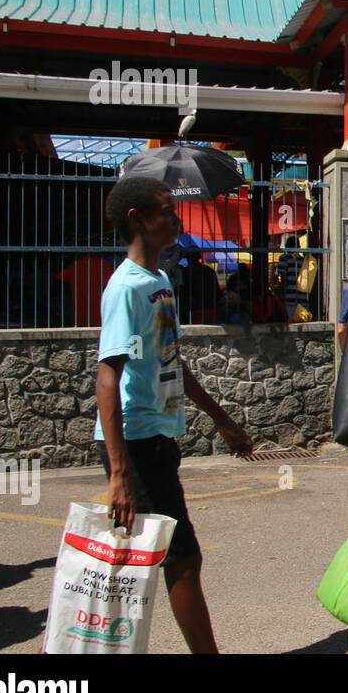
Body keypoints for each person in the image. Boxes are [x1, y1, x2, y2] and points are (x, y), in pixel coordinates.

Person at [94, 175, 254, 654]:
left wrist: (220, 418)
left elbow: (171, 360)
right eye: (167, 209)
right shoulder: (125, 288)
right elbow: (107, 378)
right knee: (180, 559)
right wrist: (120, 474)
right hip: (135, 442)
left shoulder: (159, 280)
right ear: (137, 220)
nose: (177, 217)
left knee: (151, 560)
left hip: (156, 440)